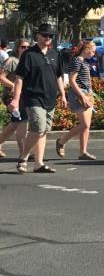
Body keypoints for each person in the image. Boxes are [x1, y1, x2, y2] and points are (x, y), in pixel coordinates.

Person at [9, 23, 68, 174]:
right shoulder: (29, 54)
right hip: (33, 97)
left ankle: (38, 164)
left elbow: (59, 76)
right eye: (45, 35)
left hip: (50, 98)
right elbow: (20, 78)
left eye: (50, 36)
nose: (48, 38)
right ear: (38, 36)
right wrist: (16, 100)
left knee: (43, 131)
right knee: (38, 127)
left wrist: (62, 94)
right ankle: (23, 158)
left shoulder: (55, 54)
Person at [55, 38, 97, 160]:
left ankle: (83, 152)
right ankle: (62, 141)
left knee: (86, 125)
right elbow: (72, 80)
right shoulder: (77, 61)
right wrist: (82, 96)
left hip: (87, 93)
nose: (94, 53)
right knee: (84, 124)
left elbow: (86, 80)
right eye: (93, 51)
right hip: (79, 94)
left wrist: (90, 94)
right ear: (87, 49)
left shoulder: (83, 61)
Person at [0, 39, 30, 159]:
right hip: (11, 96)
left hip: (23, 96)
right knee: (22, 121)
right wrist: (13, 86)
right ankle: (24, 153)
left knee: (14, 124)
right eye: (23, 47)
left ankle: (25, 153)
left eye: (28, 47)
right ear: (17, 48)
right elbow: (1, 77)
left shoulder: (27, 61)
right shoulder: (12, 61)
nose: (26, 49)